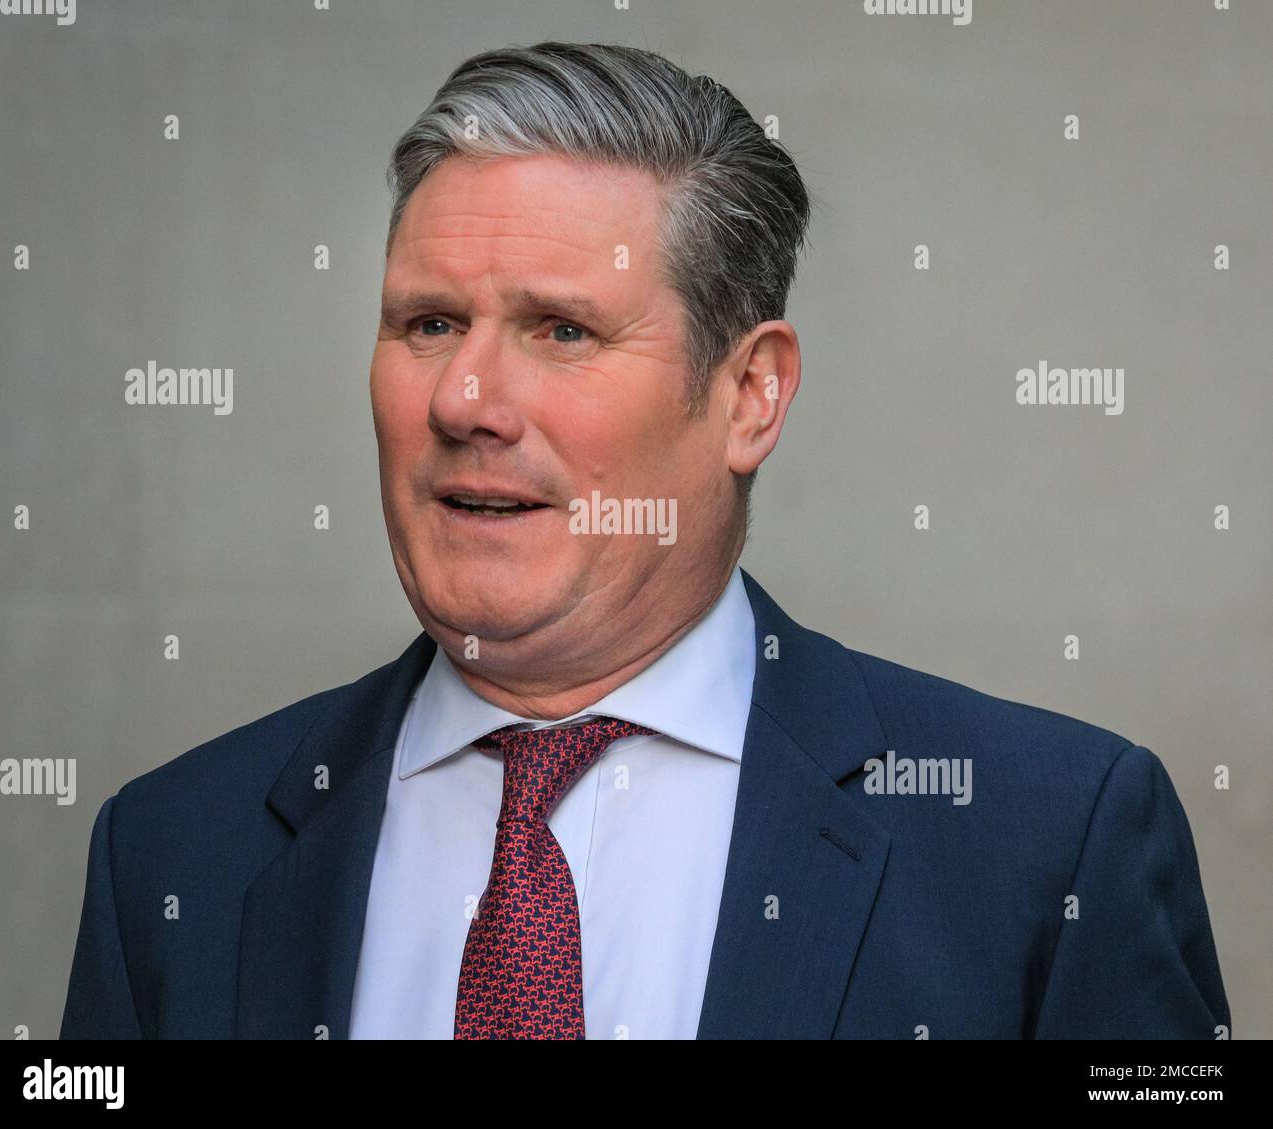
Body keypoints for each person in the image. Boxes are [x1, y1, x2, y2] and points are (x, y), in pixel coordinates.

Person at [60, 41, 1229, 1040]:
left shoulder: (1046, 843)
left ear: (749, 395)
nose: (464, 399)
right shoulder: (169, 854)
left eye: (560, 330)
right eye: (429, 322)